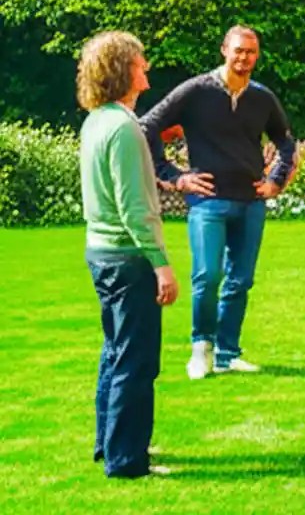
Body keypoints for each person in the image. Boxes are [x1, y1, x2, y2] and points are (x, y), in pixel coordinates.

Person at [138, 25, 296, 380]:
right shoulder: (196, 91)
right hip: (207, 202)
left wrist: (275, 182)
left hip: (250, 202)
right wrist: (174, 175)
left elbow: (286, 143)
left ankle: (228, 353)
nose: (244, 57)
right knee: (208, 276)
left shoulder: (262, 98)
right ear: (224, 49)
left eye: (251, 52)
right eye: (238, 50)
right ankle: (201, 349)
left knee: (241, 280)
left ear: (258, 55)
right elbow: (147, 126)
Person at [77, 31, 179, 479]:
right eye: (140, 63)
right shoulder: (121, 128)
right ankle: (127, 460)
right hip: (126, 256)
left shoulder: (98, 121)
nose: (147, 69)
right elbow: (134, 208)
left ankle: (111, 443)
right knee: (136, 360)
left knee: (115, 353)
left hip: (101, 252)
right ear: (122, 70)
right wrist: (162, 266)